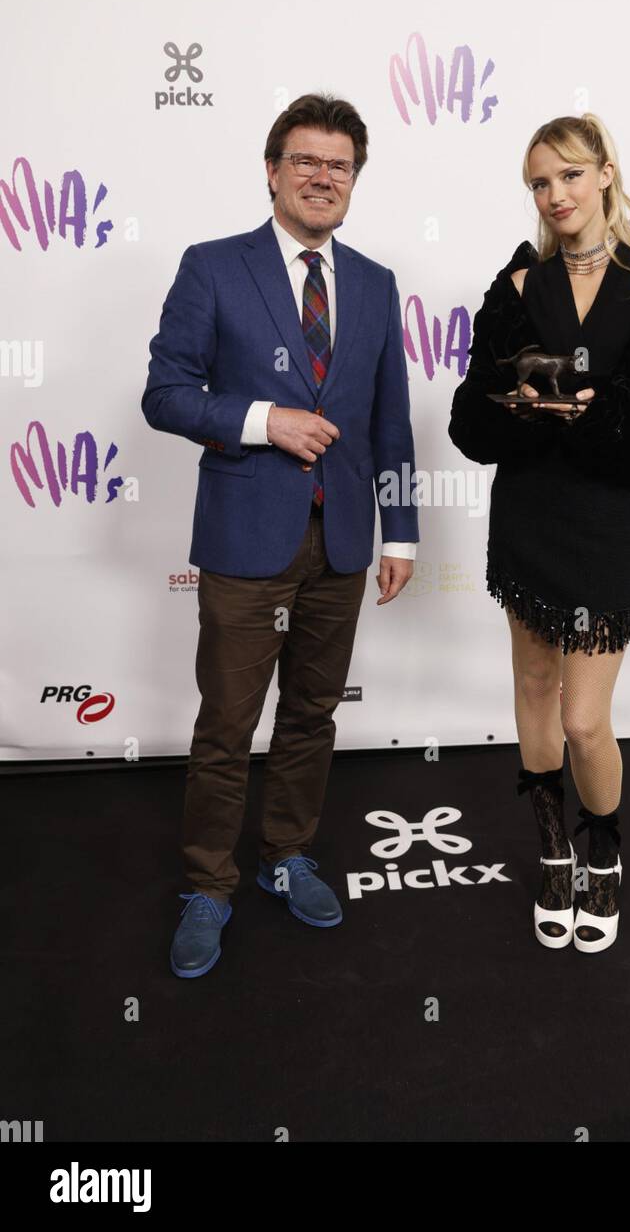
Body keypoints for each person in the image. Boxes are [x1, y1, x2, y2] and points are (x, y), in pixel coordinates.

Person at [448, 113, 630, 953]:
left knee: (585, 721)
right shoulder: (518, 287)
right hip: (530, 510)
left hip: (612, 520)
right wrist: (527, 411)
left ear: (605, 174)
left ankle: (602, 855)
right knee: (535, 695)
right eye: (541, 182)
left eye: (570, 175)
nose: (556, 194)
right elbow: (473, 417)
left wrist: (603, 414)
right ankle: (551, 852)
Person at [141, 93, 419, 978]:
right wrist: (267, 419)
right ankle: (208, 886)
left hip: (341, 541)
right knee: (227, 725)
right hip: (244, 538)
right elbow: (166, 393)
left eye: (339, 165)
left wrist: (401, 533)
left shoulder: (374, 282)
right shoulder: (213, 267)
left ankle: (287, 856)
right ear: (272, 170)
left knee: (311, 715)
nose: (322, 177)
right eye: (305, 160)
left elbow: (391, 423)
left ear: (354, 180)